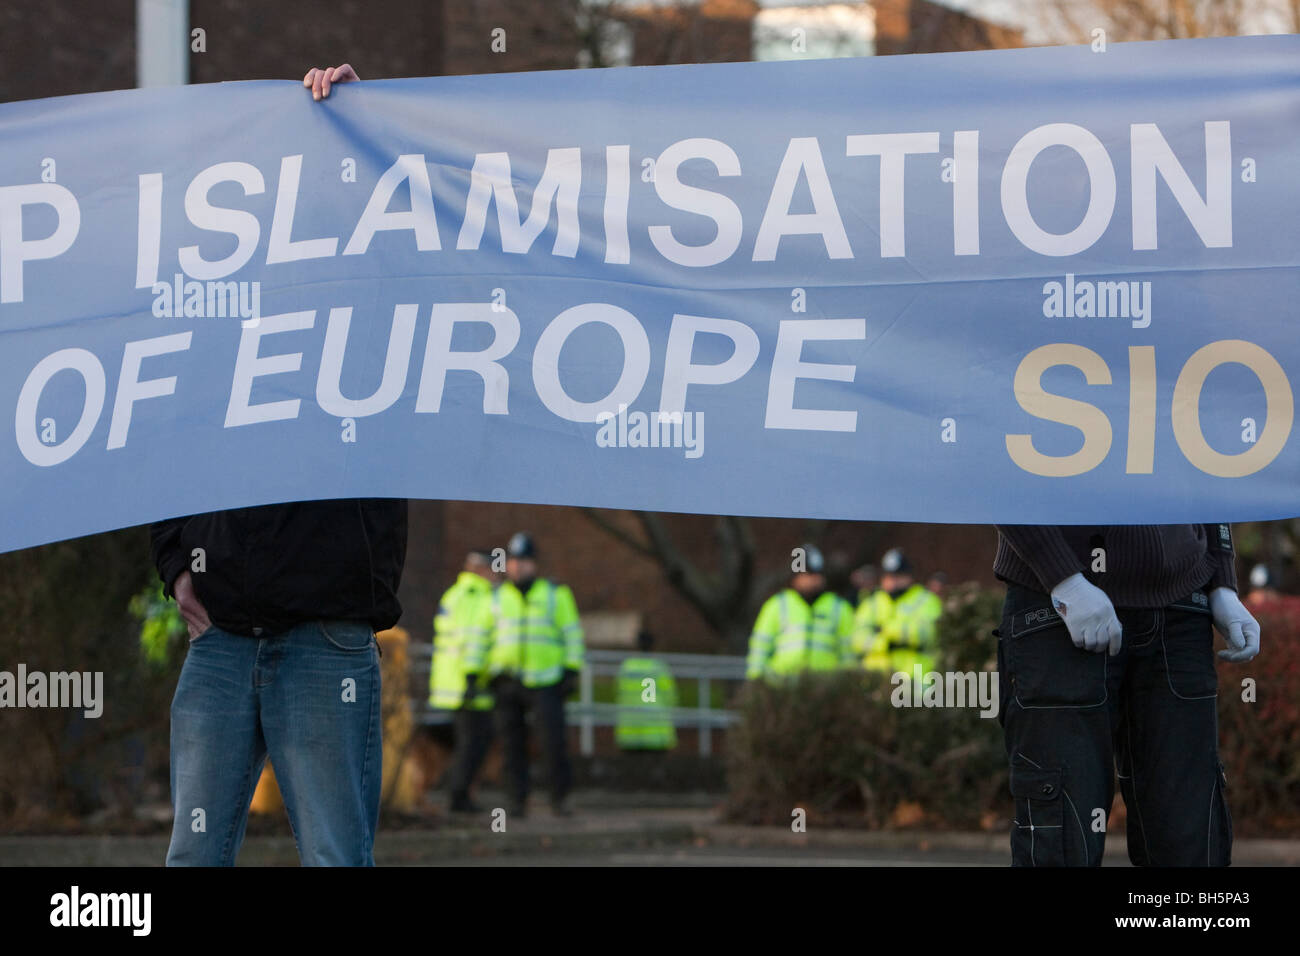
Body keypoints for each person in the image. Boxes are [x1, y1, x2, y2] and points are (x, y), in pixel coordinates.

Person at [149, 64, 405, 867]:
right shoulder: (214, 308)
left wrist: (361, 122)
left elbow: (408, 238)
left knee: (335, 855)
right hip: (224, 635)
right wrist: (176, 567)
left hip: (325, 636)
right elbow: (163, 428)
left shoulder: (374, 294)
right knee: (191, 860)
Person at [994, 523, 1260, 866]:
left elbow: (1207, 471)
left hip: (1181, 604)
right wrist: (1063, 577)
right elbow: (999, 472)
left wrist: (1222, 579)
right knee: (1061, 840)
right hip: (1055, 602)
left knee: (1191, 838)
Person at [487, 533, 585, 817]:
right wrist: (482, 673)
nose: (518, 567)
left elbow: (572, 635)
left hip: (547, 681)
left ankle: (560, 799)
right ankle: (516, 802)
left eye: (524, 561)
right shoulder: (496, 597)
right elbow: (485, 637)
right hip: (507, 681)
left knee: (553, 743)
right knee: (511, 746)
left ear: (534, 565)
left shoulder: (556, 594)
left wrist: (571, 670)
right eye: (514, 561)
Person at [430, 549, 497, 813]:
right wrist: (472, 677)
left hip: (452, 682)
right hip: (469, 683)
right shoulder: (476, 596)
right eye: (492, 569)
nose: (495, 575)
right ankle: (459, 797)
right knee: (473, 744)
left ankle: (461, 793)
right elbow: (473, 639)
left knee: (468, 742)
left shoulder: (454, 594)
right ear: (480, 569)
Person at [746, 545, 856, 681]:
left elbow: (848, 654)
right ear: (795, 575)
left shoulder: (839, 607)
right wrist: (755, 682)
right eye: (808, 573)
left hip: (825, 688)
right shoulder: (777, 605)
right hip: (782, 685)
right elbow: (760, 648)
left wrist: (848, 684)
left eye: (817, 573)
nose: (814, 579)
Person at [854, 548, 941, 675]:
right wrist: (887, 644)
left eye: (897, 576)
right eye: (888, 576)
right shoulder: (871, 602)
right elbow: (857, 639)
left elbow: (928, 633)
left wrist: (884, 630)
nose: (891, 581)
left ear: (909, 577)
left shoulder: (927, 600)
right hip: (876, 678)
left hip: (915, 679)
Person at [615, 630, 678, 752]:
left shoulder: (627, 667)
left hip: (630, 732)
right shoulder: (659, 667)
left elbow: (618, 692)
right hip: (656, 733)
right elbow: (670, 697)